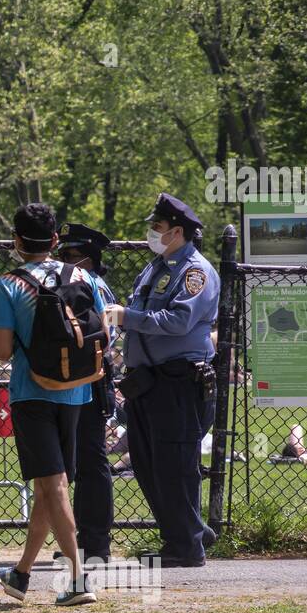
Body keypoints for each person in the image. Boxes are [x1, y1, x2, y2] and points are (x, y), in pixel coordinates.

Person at [0, 204, 103, 606]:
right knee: (48, 486)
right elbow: (101, 329)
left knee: (52, 485)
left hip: (31, 392)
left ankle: (77, 578)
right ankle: (21, 574)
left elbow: (2, 352)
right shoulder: (83, 275)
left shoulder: (6, 285)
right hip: (77, 391)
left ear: (16, 241)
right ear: (56, 239)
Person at [105, 193, 221, 567]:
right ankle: (192, 531)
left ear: (178, 231)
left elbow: (178, 322)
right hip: (147, 382)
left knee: (174, 464)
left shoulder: (195, 272)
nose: (152, 234)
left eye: (157, 228)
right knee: (146, 460)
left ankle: (186, 546)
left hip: (178, 381)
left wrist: (126, 318)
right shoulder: (156, 267)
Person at [55, 222, 118, 562]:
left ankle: (96, 543)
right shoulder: (67, 282)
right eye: (61, 254)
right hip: (68, 380)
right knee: (74, 462)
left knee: (92, 461)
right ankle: (79, 541)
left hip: (92, 379)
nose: (64, 260)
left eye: (72, 255)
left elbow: (110, 336)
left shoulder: (95, 285)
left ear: (91, 259)